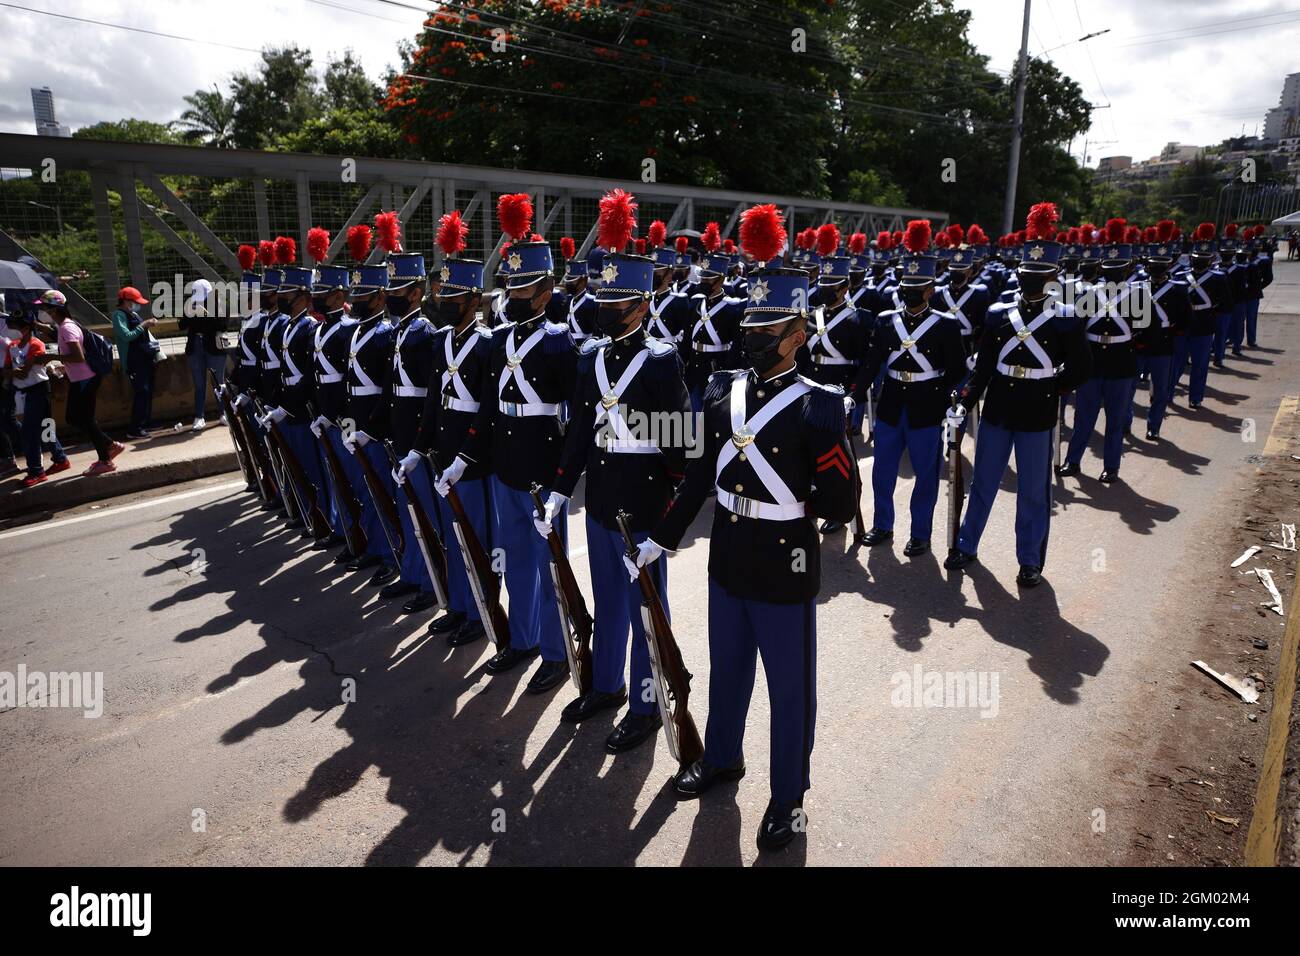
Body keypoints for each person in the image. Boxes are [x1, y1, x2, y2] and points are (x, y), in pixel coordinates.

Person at [626, 203, 856, 853]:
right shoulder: (722, 390)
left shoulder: (820, 404)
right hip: (727, 548)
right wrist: (660, 538)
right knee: (727, 669)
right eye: (750, 322)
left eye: (769, 325)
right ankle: (722, 757)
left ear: (798, 332)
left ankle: (788, 798)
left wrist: (825, 476)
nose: (753, 334)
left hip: (784, 558)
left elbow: (839, 502)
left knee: (790, 687)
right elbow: (697, 477)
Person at [543, 190, 692, 753]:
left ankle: (648, 701)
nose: (604, 309)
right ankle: (605, 685)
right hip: (602, 499)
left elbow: (682, 443)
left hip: (644, 505)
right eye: (603, 299)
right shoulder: (590, 358)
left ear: (643, 305)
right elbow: (580, 432)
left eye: (617, 302)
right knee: (606, 599)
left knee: (645, 607)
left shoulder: (660, 359)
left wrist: (667, 522)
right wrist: (560, 491)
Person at [436, 194, 578, 694]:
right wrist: (465, 459)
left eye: (525, 287)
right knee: (515, 558)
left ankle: (558, 653)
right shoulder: (498, 341)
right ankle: (522, 640)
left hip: (542, 468)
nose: (514, 294)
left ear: (545, 292)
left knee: (548, 566)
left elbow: (577, 417)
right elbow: (489, 413)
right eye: (510, 285)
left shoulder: (561, 341)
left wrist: (564, 482)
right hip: (504, 466)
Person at [945, 203, 1092, 587]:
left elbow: (1080, 368)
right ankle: (966, 544)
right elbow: (984, 367)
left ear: (1054, 276)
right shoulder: (998, 313)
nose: (1031, 281)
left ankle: (1029, 560)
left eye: (1039, 275)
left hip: (1038, 414)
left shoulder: (1066, 317)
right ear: (1019, 274)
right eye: (1027, 274)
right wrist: (965, 399)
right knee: (984, 484)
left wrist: (1053, 388)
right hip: (998, 411)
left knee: (1032, 492)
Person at [852, 220, 965, 556]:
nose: (909, 290)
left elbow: (957, 370)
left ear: (930, 289)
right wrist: (854, 394)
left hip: (925, 406)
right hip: (890, 402)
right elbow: (872, 363)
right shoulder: (887, 320)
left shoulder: (945, 325)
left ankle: (920, 533)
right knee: (883, 471)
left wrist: (943, 397)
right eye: (906, 284)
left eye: (917, 285)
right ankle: (883, 525)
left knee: (926, 475)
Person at [36, 290, 124, 475]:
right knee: (75, 418)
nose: (42, 310)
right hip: (81, 379)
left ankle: (106, 460)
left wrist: (51, 356)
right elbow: (60, 338)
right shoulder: (65, 325)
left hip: (85, 378)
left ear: (54, 309)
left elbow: (78, 356)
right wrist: (37, 325)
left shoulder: (67, 327)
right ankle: (109, 445)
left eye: (44, 307)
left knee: (84, 419)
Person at [1, 309, 69, 487]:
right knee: (44, 428)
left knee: (30, 432)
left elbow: (23, 372)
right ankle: (60, 458)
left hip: (38, 390)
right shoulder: (12, 346)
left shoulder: (35, 344)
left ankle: (36, 471)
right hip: (24, 392)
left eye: (16, 326)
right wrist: (11, 372)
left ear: (26, 328)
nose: (12, 329)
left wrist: (11, 372)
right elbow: (6, 370)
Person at [179, 277, 229, 431]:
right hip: (195, 346)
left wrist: (206, 315)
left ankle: (224, 413)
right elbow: (182, 325)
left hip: (214, 347)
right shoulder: (190, 304)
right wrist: (190, 313)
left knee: (219, 382)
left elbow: (223, 325)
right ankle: (199, 417)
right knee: (199, 384)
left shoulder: (220, 304)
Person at [110, 286, 160, 439]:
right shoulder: (118, 315)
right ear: (126, 301)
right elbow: (126, 335)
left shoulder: (133, 313)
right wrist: (143, 325)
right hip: (134, 362)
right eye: (135, 302)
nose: (137, 304)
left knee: (148, 392)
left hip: (144, 359)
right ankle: (135, 428)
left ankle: (145, 422)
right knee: (142, 392)